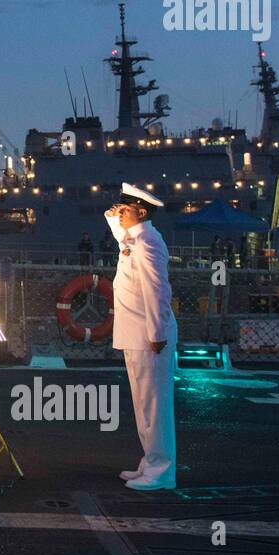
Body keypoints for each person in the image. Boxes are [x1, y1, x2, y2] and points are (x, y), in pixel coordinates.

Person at [104, 183, 177, 491]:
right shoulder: (136, 237)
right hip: (137, 335)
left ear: (141, 212)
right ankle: (149, 463)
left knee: (155, 406)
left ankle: (162, 472)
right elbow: (123, 239)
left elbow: (157, 291)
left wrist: (157, 333)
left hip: (149, 337)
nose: (120, 214)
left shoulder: (148, 242)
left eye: (125, 210)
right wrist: (112, 218)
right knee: (143, 405)